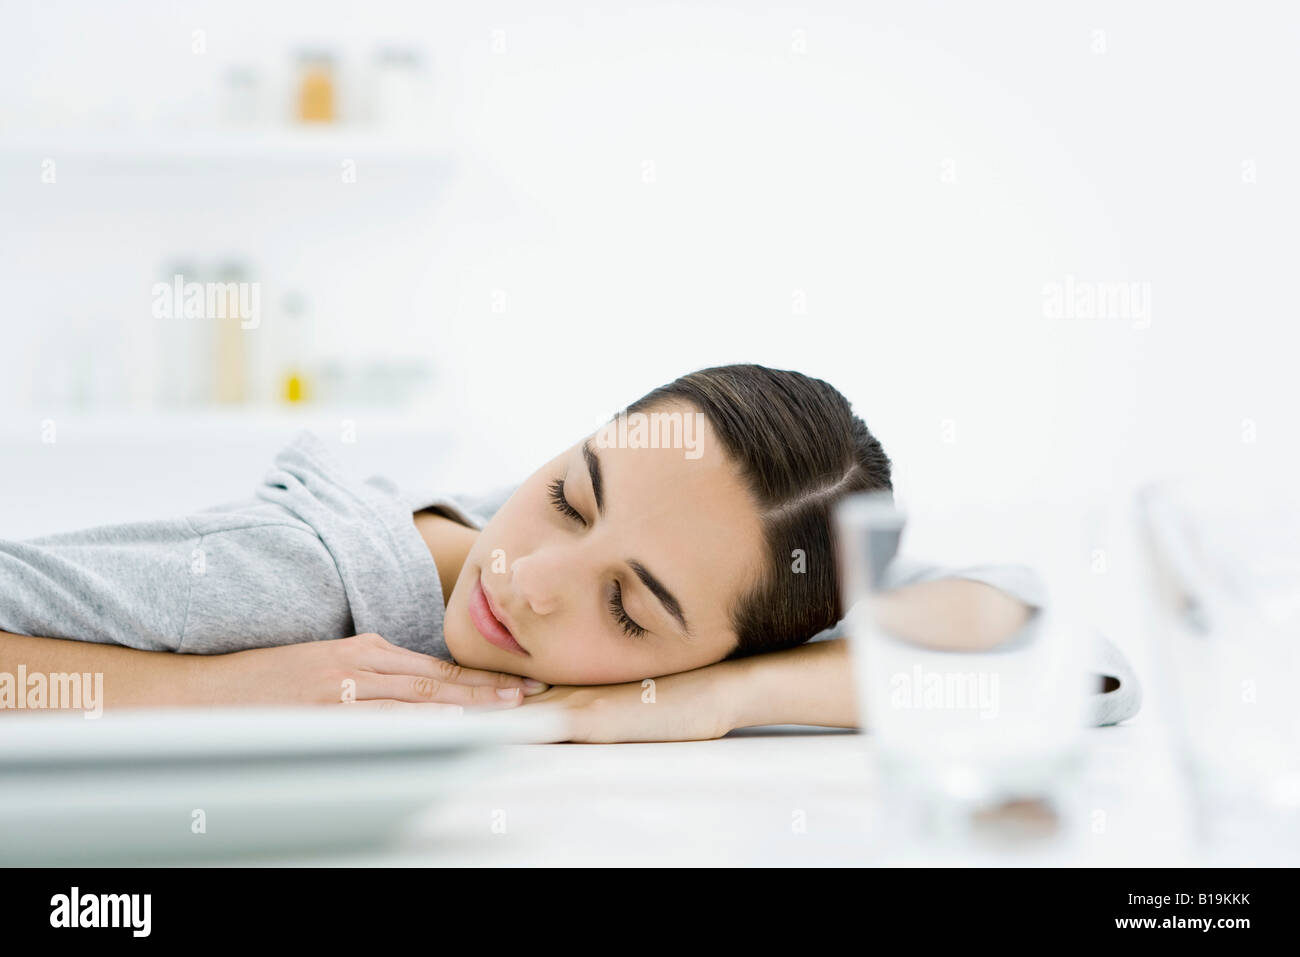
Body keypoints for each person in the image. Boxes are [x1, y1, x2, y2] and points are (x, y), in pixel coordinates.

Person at [0, 364, 1137, 740]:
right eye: (566, 497)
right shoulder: (290, 579)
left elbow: (1068, 657)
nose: (526, 580)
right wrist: (213, 693)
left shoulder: (727, 585)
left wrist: (718, 703)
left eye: (631, 612)